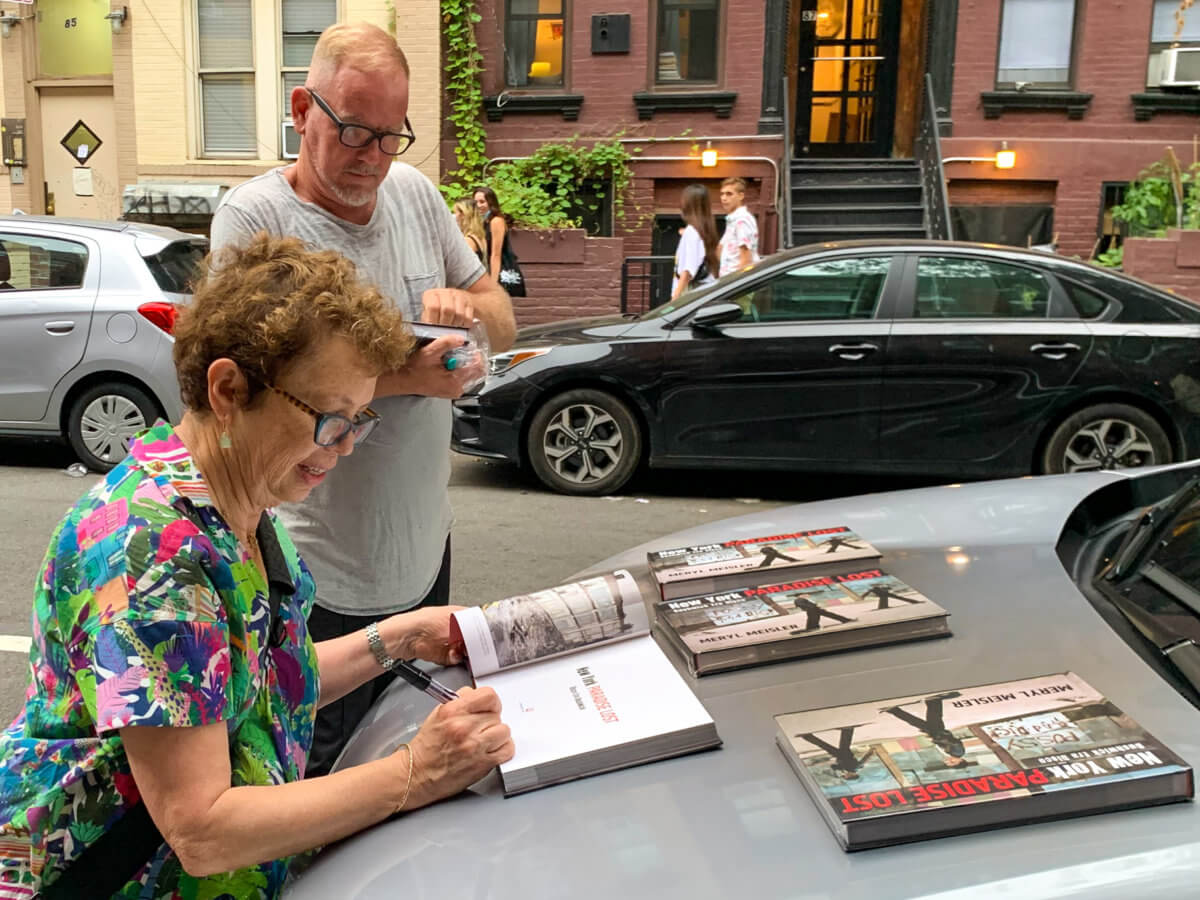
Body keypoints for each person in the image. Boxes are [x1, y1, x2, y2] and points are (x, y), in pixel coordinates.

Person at [0, 235, 514, 899]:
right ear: (228, 388)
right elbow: (203, 827)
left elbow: (257, 680)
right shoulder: (150, 554)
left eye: (360, 419)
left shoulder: (229, 499)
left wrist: (401, 638)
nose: (347, 446)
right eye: (330, 418)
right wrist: (416, 771)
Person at [210, 22, 516, 778]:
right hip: (315, 567)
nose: (372, 158)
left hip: (421, 550)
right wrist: (416, 377)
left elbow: (501, 322)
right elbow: (256, 398)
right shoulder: (254, 221)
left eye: (390, 136)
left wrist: (470, 317)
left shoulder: (412, 193)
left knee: (401, 739)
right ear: (301, 108)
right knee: (309, 771)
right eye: (352, 130)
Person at [882, 692, 969, 767]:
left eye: (949, 762)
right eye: (952, 762)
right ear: (960, 760)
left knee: (926, 718)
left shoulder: (953, 753)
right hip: (938, 732)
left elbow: (948, 743)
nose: (949, 760)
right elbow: (955, 742)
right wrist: (935, 739)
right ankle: (933, 701)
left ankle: (933, 701)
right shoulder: (958, 753)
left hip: (935, 732)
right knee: (926, 718)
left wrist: (933, 738)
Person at [473, 185, 525, 295]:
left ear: (491, 203)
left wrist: (493, 283)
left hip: (498, 270)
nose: (478, 205)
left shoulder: (496, 221)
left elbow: (496, 254)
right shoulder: (482, 221)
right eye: (475, 202)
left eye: (482, 202)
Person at [671, 183, 719, 301]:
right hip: (705, 288)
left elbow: (688, 269)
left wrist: (675, 298)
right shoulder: (706, 229)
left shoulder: (692, 231)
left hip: (690, 291)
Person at [717, 176, 760, 277]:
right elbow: (720, 250)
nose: (724, 198)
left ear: (741, 196)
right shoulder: (733, 220)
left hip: (736, 282)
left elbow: (746, 256)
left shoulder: (742, 220)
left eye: (729, 194)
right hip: (728, 279)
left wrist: (738, 285)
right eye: (722, 194)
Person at [453, 196, 487, 266]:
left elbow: (461, 266)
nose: (455, 216)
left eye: (455, 212)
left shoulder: (469, 240)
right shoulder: (480, 235)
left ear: (462, 214)